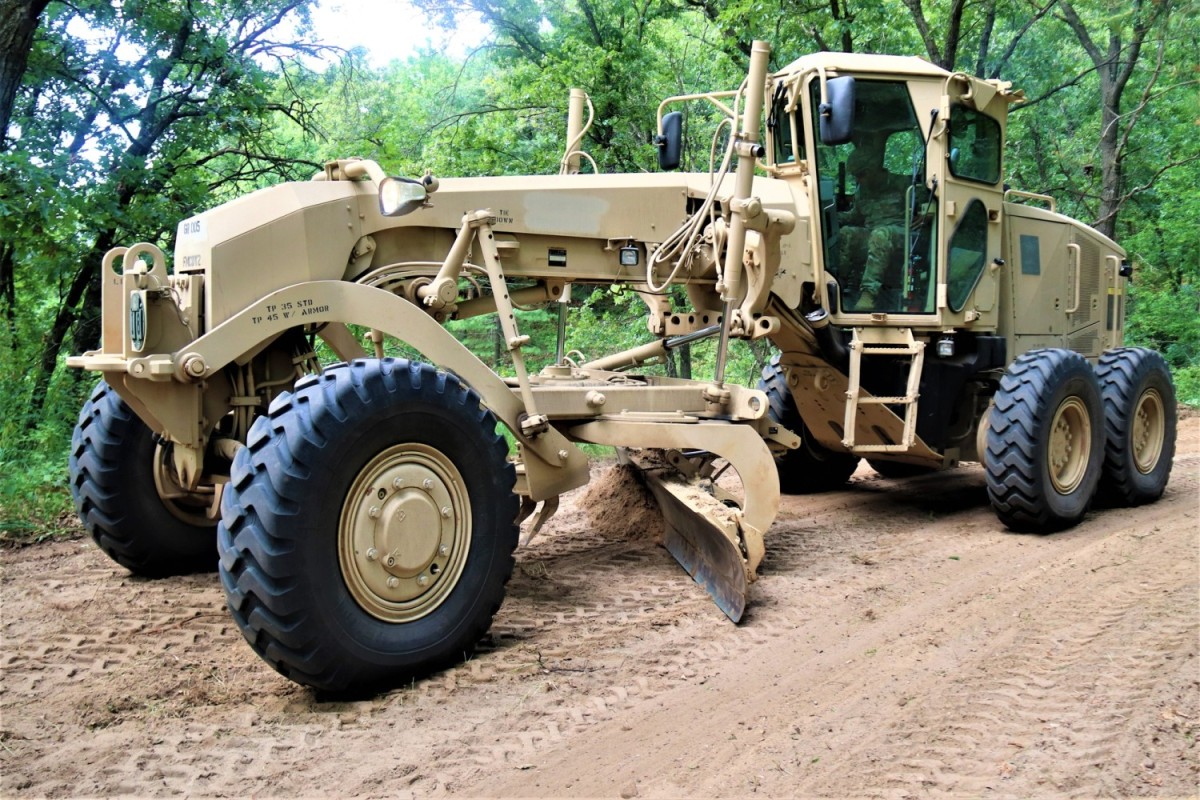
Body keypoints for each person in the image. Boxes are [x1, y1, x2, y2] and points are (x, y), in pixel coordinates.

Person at [837, 133, 910, 311]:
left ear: (873, 169)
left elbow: (929, 206)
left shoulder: (902, 184)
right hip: (875, 235)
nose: (858, 180)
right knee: (847, 233)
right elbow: (855, 216)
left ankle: (868, 296)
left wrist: (924, 215)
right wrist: (832, 216)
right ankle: (838, 286)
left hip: (902, 235)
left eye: (860, 175)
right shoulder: (863, 191)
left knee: (880, 234)